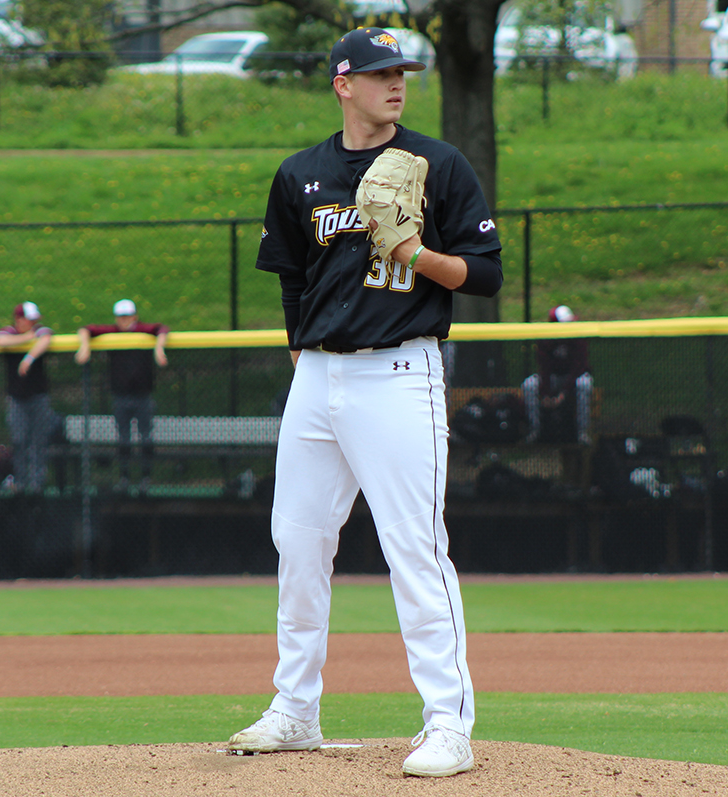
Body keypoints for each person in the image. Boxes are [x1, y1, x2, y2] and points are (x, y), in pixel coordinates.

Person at [226, 27, 502, 779]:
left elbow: (485, 275)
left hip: (398, 372)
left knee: (415, 548)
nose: (396, 83)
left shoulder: (436, 164)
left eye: (402, 72)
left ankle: (447, 724)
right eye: (379, 72)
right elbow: (288, 275)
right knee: (298, 540)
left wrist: (413, 252)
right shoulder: (301, 174)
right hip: (316, 378)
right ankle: (294, 710)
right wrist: (302, 357)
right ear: (342, 82)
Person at [75, 299, 170, 491]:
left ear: (134, 316)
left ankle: (146, 478)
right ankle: (125, 478)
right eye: (120, 317)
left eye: (127, 316)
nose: (124, 320)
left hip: (143, 395)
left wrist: (159, 348)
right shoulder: (112, 332)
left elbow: (162, 329)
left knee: (146, 438)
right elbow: (85, 329)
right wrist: (84, 346)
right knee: (123, 440)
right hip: (121, 395)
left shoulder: (143, 330)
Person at [0, 301, 53, 493]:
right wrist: (26, 339)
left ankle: (37, 484)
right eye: (30, 320)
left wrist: (28, 357)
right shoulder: (9, 332)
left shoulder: (40, 332)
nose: (34, 323)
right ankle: (20, 481)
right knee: (19, 440)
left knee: (38, 441)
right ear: (19, 320)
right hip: (17, 398)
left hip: (38, 397)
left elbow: (45, 338)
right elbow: (0, 340)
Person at [521, 305, 594, 446]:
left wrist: (563, 393)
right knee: (529, 385)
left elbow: (579, 367)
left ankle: (582, 433)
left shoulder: (578, 337)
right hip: (554, 378)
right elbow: (545, 368)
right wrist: (546, 394)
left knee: (584, 384)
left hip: (573, 378)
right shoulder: (546, 339)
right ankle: (535, 431)